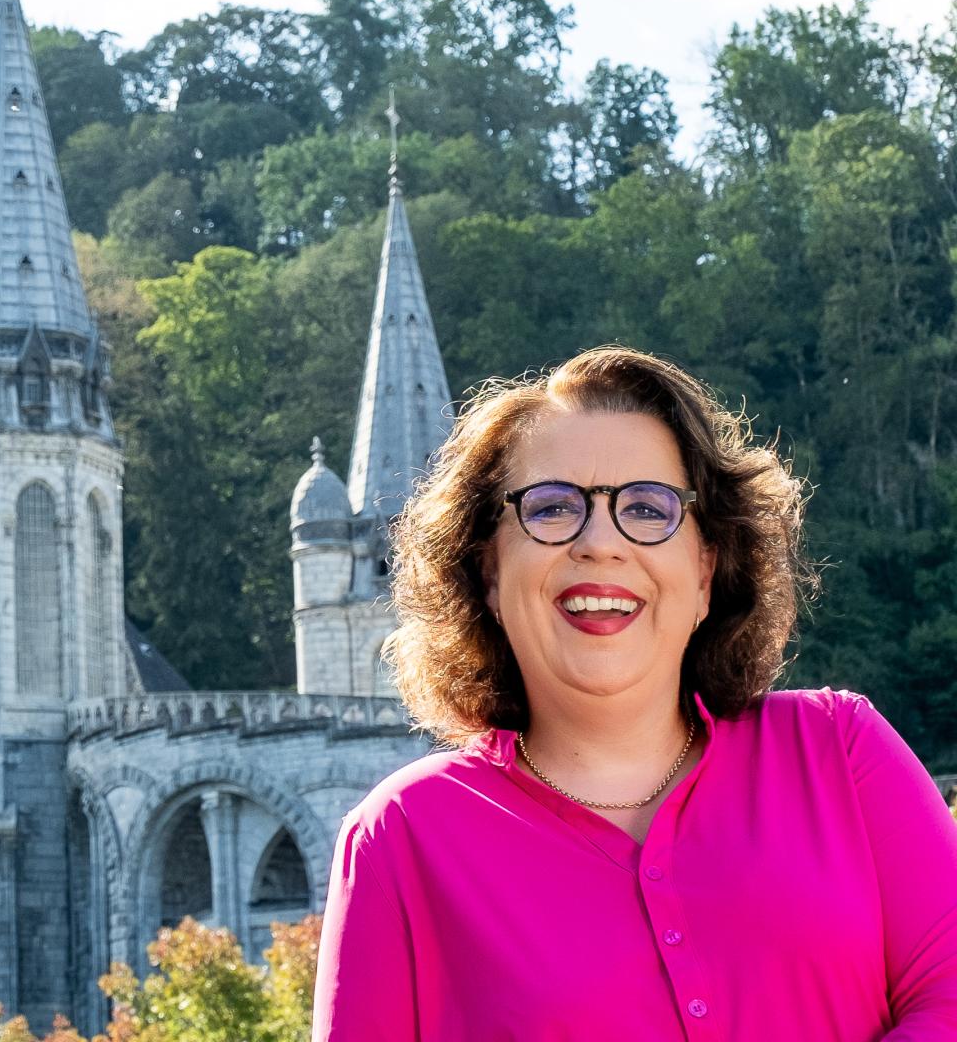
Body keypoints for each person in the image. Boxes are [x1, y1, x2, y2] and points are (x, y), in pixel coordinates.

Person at [313, 346, 957, 1040]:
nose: (600, 542)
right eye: (552, 507)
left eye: (648, 508)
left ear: (707, 569)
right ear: (490, 573)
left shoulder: (839, 751)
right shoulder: (401, 841)